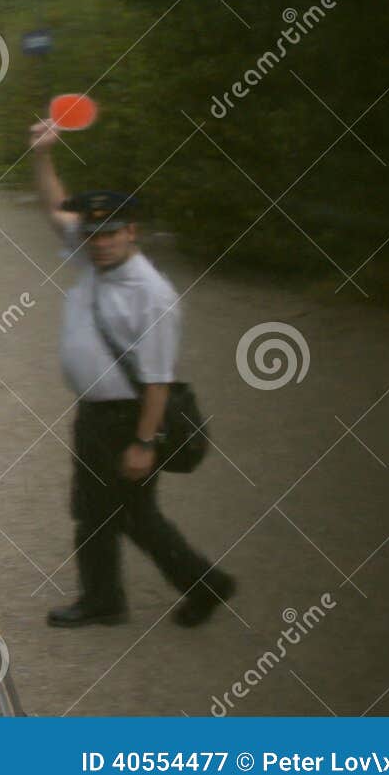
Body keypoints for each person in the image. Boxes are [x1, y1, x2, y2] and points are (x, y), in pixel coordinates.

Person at [29, 120, 236, 629]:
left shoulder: (153, 295)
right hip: (94, 415)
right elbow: (59, 213)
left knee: (133, 518)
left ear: (131, 232)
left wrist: (144, 442)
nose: (98, 243)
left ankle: (195, 586)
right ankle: (109, 598)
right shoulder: (94, 257)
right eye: (93, 233)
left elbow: (159, 379)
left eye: (110, 233)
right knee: (100, 513)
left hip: (126, 420)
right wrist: (41, 156)